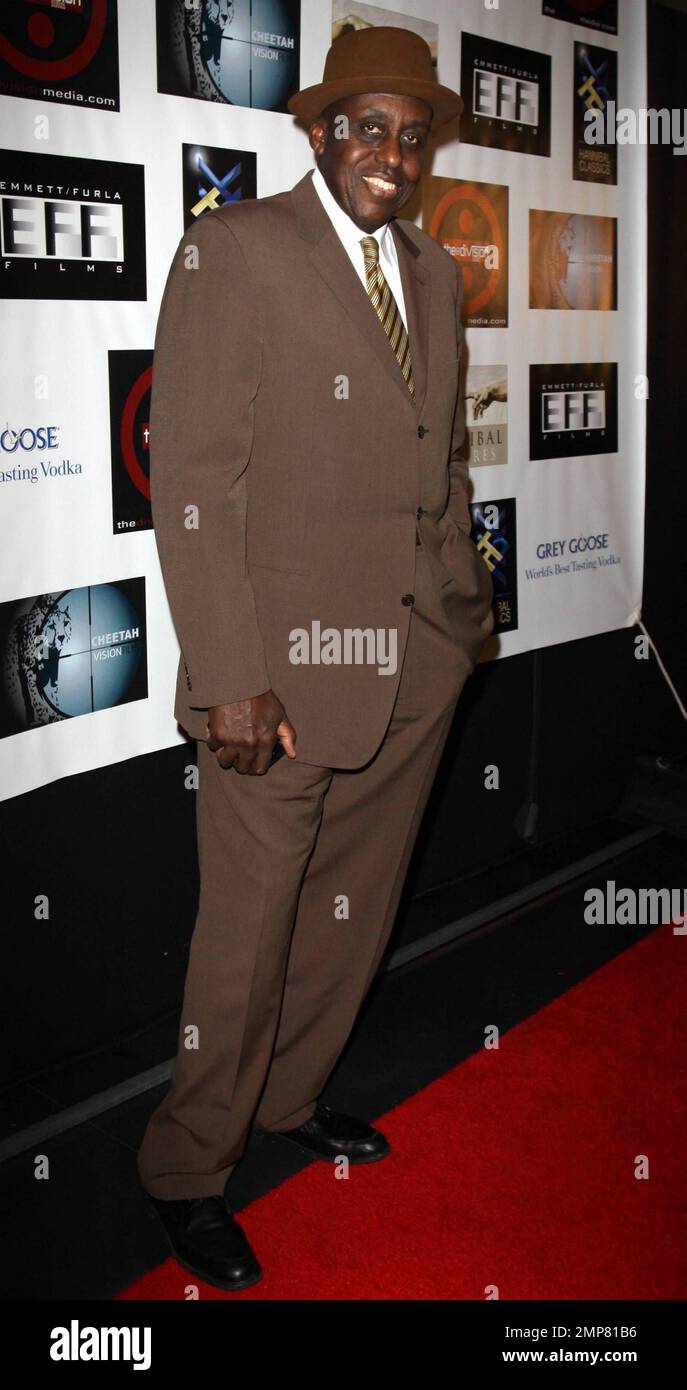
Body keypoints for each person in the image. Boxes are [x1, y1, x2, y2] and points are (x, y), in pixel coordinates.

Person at [137, 25, 494, 1292]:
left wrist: (461, 620)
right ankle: (188, 1166)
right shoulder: (233, 251)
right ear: (320, 130)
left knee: (350, 920)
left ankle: (289, 1102)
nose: (390, 154)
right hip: (273, 687)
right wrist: (231, 673)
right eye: (366, 127)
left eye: (410, 134)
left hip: (415, 665)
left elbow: (440, 459)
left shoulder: (439, 277)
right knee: (245, 936)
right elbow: (191, 482)